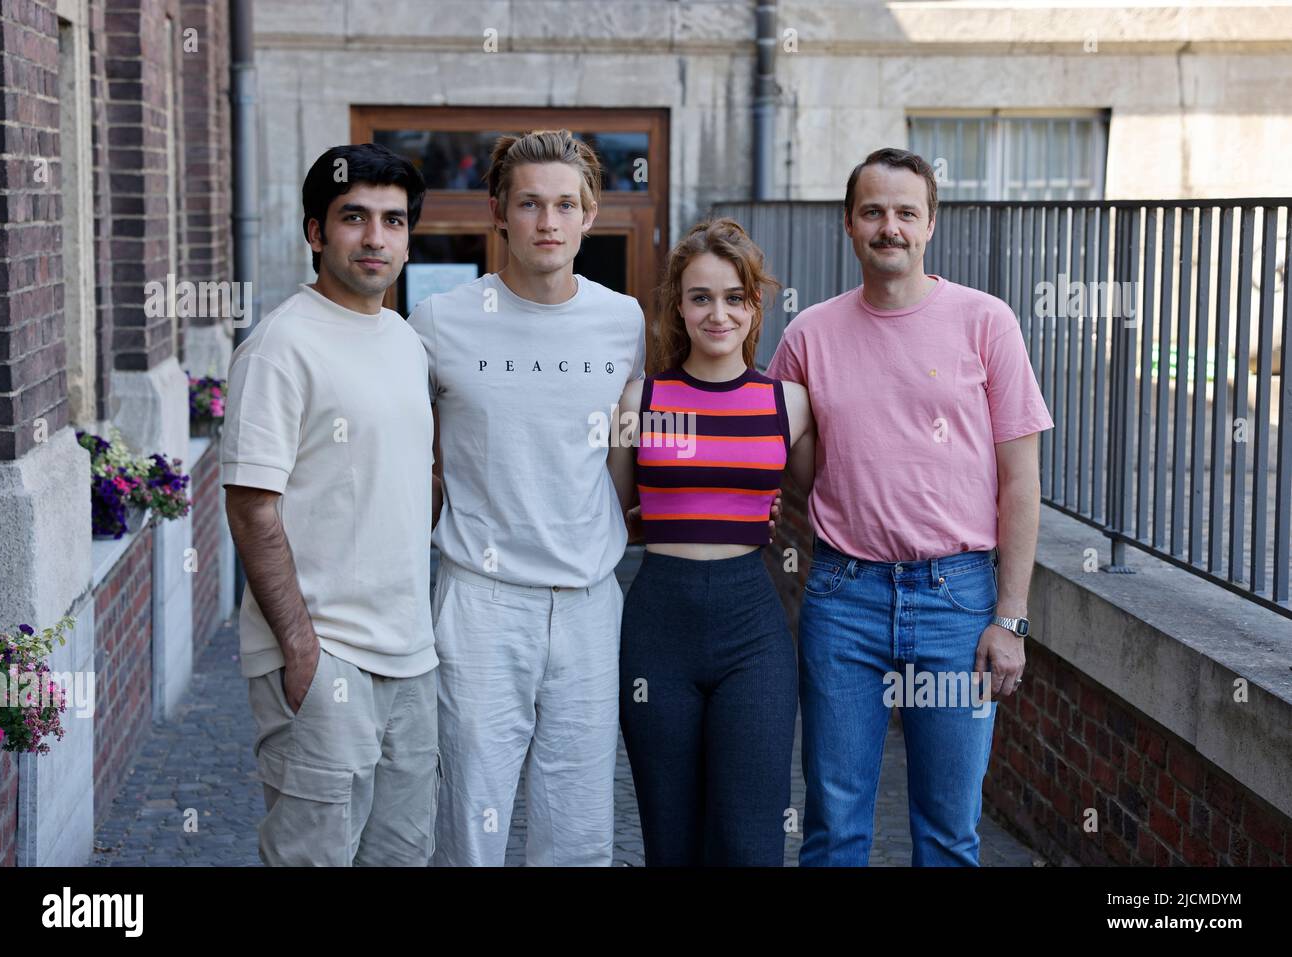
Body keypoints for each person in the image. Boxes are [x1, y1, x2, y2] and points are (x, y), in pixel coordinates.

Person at [766, 147, 1054, 866]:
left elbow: (1021, 480)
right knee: (833, 827)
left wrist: (1010, 618)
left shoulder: (986, 322)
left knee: (949, 830)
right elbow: (780, 455)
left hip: (956, 599)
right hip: (843, 596)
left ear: (930, 224)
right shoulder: (809, 335)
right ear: (849, 226)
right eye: (872, 212)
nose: (888, 226)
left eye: (904, 212)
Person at [408, 129, 646, 867]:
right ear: (498, 212)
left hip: (588, 601)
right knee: (468, 827)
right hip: (481, 601)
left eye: (565, 204)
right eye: (531, 203)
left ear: (589, 213)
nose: (549, 221)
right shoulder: (441, 320)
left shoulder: (625, 320)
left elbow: (625, 456)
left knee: (576, 833)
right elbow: (408, 454)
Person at [221, 143, 441, 866]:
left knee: (402, 856)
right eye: (355, 218)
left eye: (393, 220)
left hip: (410, 656)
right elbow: (252, 508)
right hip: (326, 655)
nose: (376, 238)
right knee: (313, 856)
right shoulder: (280, 346)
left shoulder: (406, 343)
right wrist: (300, 648)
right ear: (316, 232)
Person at [607, 218, 815, 866]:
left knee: (751, 842)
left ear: (755, 305)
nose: (717, 312)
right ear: (678, 305)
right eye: (700, 296)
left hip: (752, 629)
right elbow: (610, 514)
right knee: (672, 843)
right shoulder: (642, 398)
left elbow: (818, 507)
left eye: (733, 296)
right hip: (657, 626)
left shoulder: (791, 403)